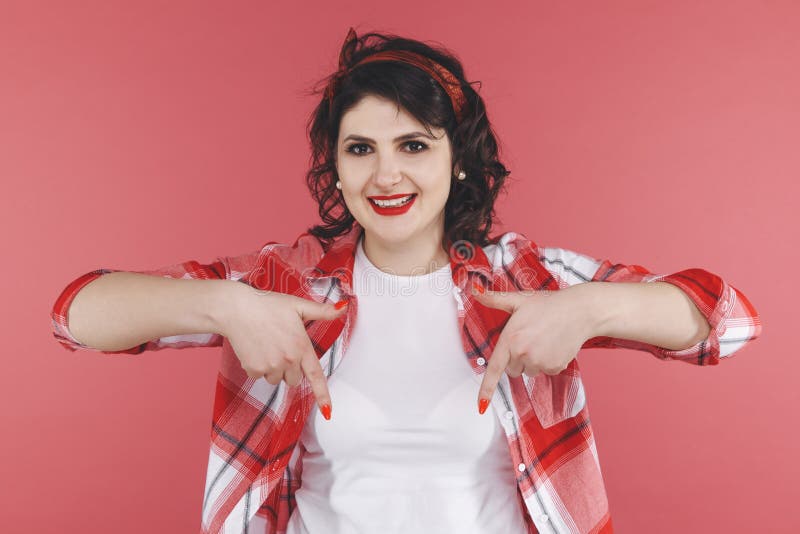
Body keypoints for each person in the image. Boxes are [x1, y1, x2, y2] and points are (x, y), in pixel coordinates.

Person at [50, 27, 762, 534]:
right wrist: (224, 303)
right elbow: (74, 315)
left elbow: (730, 324)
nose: (385, 175)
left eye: (414, 145)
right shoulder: (280, 283)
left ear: (458, 160)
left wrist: (590, 307)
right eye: (360, 149)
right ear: (336, 166)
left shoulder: (527, 277)